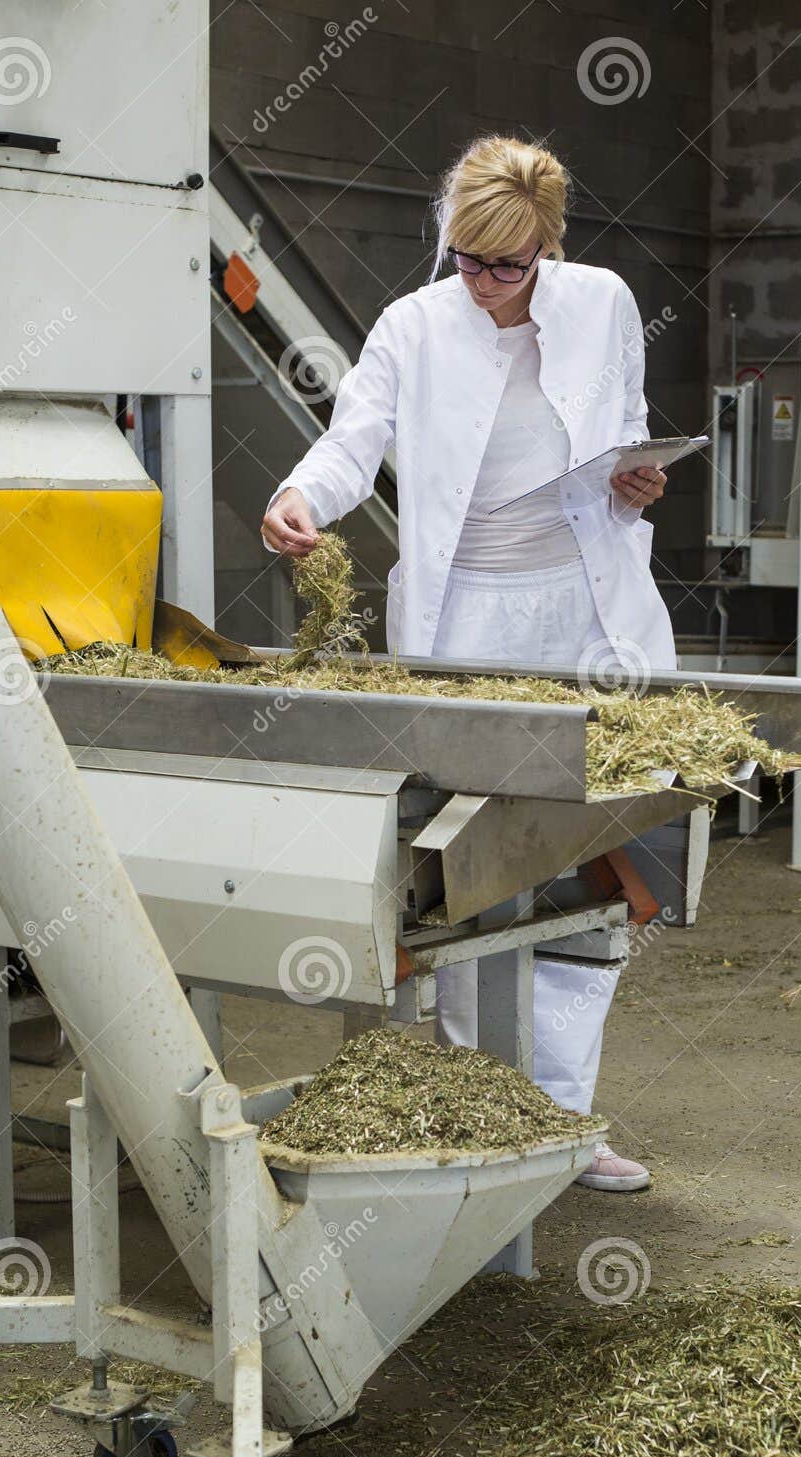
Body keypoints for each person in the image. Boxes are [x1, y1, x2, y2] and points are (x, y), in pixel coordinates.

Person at [262, 134, 674, 1194]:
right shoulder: (414, 326)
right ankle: (487, 1119)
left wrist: (637, 482)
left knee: (592, 864)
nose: (486, 283)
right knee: (475, 872)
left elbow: (623, 437)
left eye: (509, 265)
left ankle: (565, 1122)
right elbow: (354, 440)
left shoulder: (603, 303)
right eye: (468, 261)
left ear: (548, 245)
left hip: (585, 611)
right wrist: (300, 499)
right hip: (471, 625)